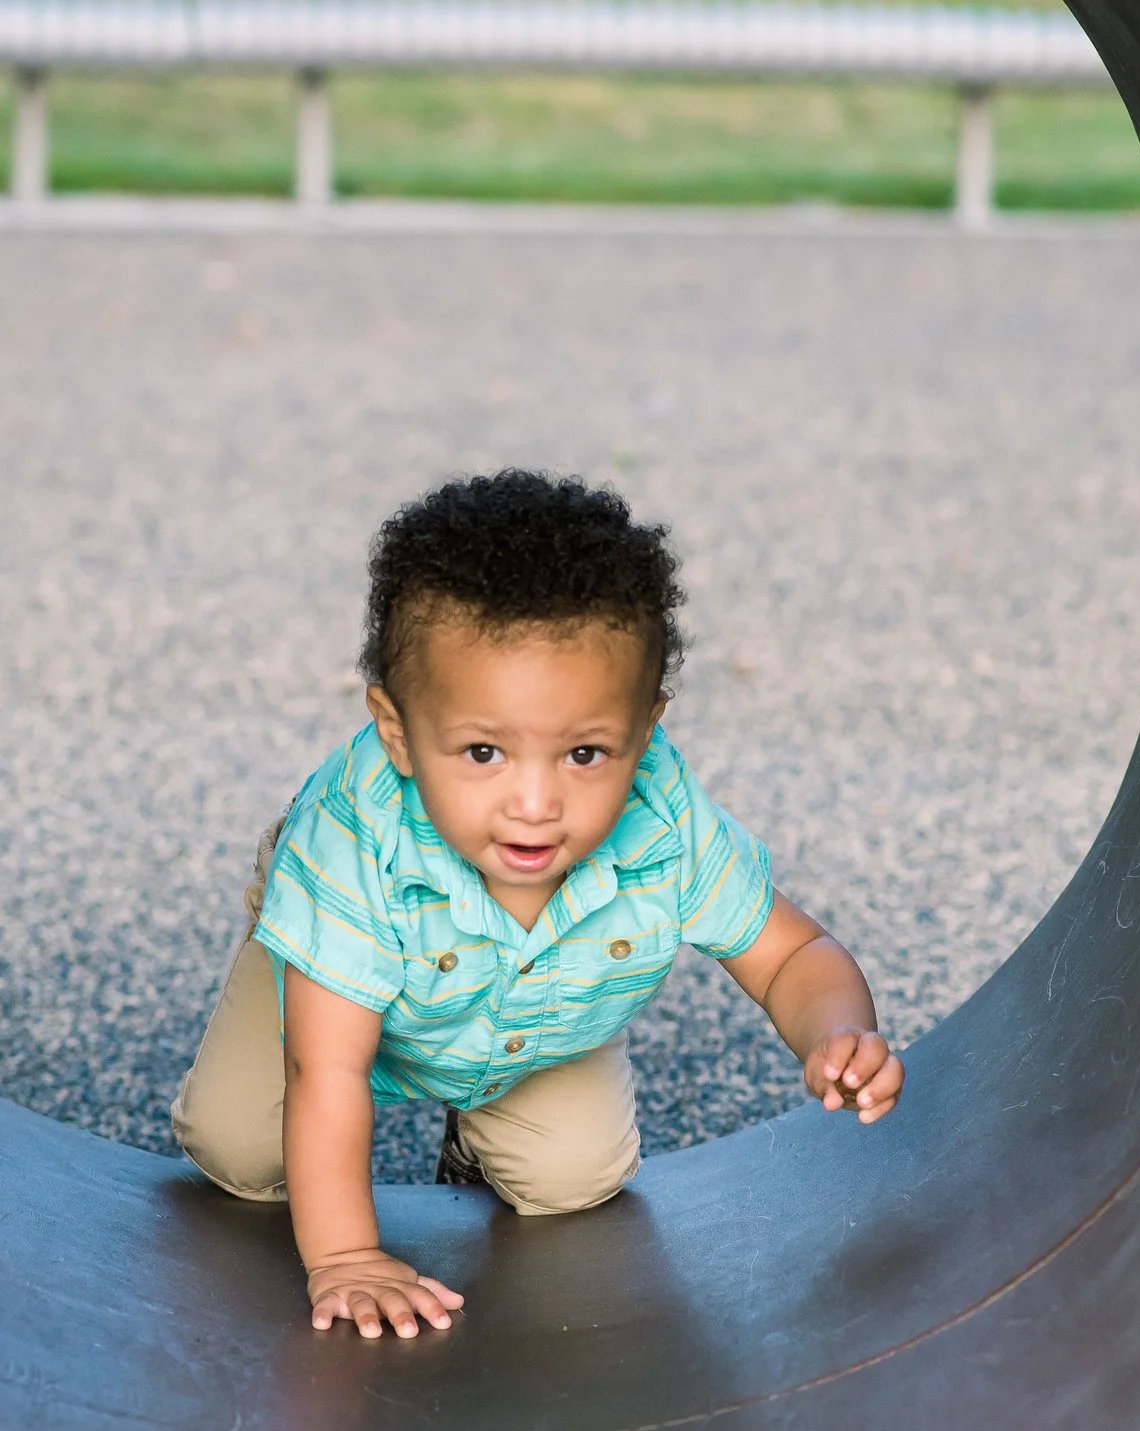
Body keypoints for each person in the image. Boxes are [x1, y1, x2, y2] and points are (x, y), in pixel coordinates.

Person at [172, 470, 904, 1339]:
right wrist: (347, 1257)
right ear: (399, 734)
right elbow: (323, 1073)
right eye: (484, 750)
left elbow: (789, 954)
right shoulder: (357, 847)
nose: (535, 802)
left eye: (586, 753)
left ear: (646, 727)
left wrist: (837, 1033)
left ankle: (473, 1127)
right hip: (338, 974)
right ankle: (299, 997)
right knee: (241, 1154)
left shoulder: (661, 821)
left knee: (577, 1182)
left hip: (530, 1013)